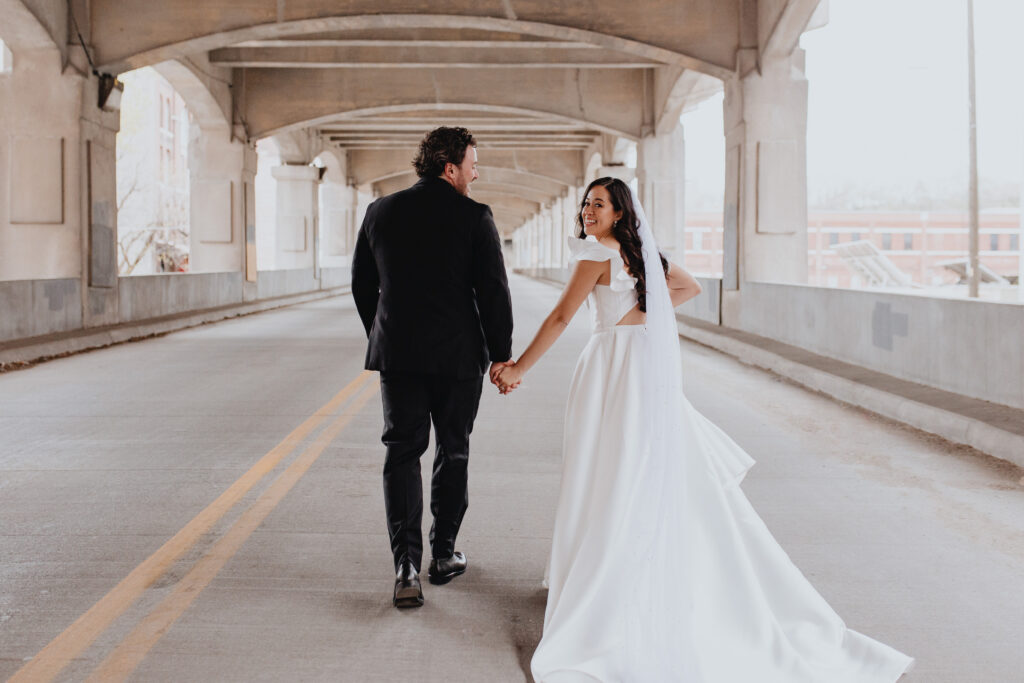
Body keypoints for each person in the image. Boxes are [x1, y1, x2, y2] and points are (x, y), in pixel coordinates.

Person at [495, 177, 914, 681]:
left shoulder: (597, 255)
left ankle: (597, 582)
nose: (588, 210)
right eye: (586, 203)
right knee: (633, 468)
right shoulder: (637, 254)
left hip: (609, 367)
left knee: (601, 469)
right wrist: (640, 315)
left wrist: (519, 368)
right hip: (638, 367)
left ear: (621, 212)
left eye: (599, 204)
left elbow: (563, 316)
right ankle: (622, 570)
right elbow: (688, 287)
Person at [352, 127, 514, 609]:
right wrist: (501, 354)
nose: (476, 172)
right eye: (472, 164)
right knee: (453, 450)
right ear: (451, 168)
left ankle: (405, 567)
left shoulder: (379, 211)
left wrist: (383, 333)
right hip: (458, 358)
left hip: (399, 356)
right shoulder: (474, 216)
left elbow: (363, 285)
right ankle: (442, 555)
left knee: (402, 452)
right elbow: (493, 293)